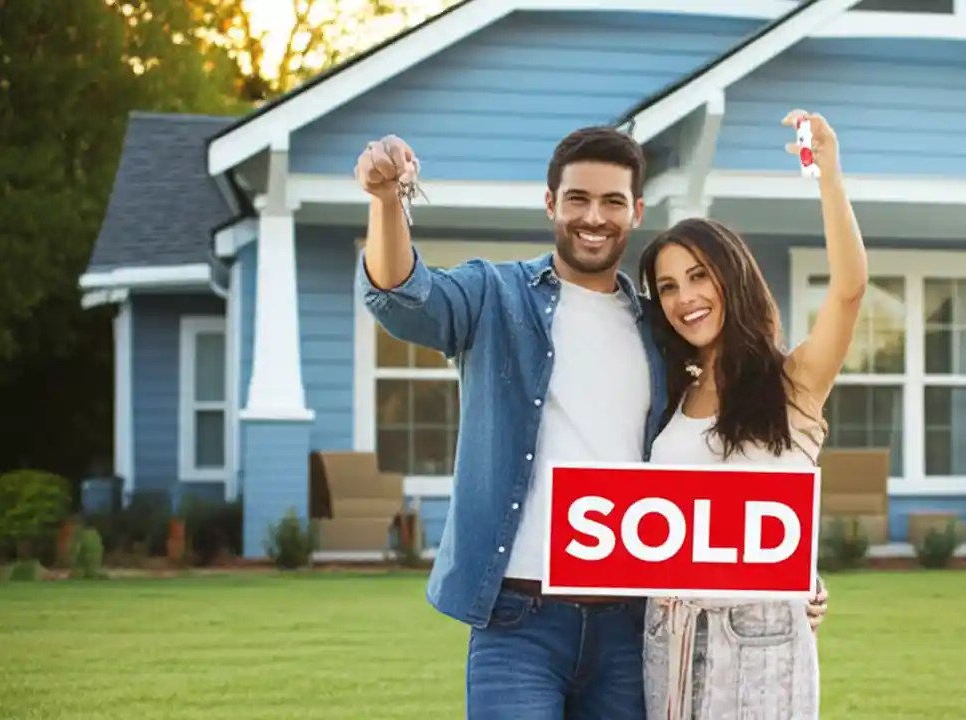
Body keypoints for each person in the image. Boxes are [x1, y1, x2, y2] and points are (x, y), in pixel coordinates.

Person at [352, 125, 827, 720]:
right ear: (551, 203)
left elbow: (717, 462)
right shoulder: (493, 297)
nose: (594, 217)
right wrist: (385, 200)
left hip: (630, 624)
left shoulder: (663, 331)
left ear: (636, 211)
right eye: (577, 199)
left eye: (612, 202)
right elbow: (403, 297)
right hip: (518, 619)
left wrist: (781, 577)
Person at [636, 109, 867, 719]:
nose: (685, 298)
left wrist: (828, 171)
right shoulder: (668, 397)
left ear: (731, 276)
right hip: (666, 637)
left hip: (758, 645)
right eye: (667, 287)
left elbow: (848, 292)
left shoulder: (792, 382)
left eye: (698, 276)